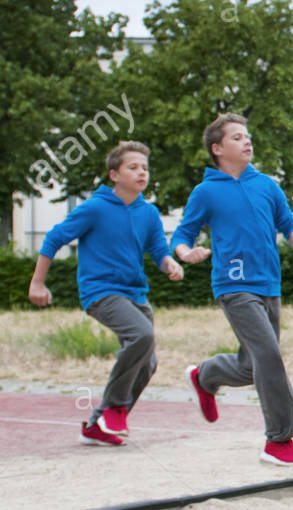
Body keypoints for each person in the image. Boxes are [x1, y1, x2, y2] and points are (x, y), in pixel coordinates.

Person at [172, 114, 293, 466]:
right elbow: (182, 234)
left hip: (269, 284)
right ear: (218, 149)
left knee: (252, 365)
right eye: (237, 137)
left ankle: (205, 376)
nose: (247, 141)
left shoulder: (267, 185)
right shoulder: (206, 191)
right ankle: (279, 440)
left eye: (248, 136)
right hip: (233, 286)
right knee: (269, 357)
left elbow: (289, 224)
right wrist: (184, 253)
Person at [28, 141, 183, 446]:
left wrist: (170, 265)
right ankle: (114, 408)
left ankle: (98, 424)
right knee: (141, 336)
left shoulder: (149, 213)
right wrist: (37, 283)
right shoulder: (94, 209)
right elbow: (54, 238)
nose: (142, 172)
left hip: (136, 294)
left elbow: (158, 250)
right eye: (133, 167)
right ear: (114, 174)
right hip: (101, 292)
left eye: (145, 168)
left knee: (148, 363)